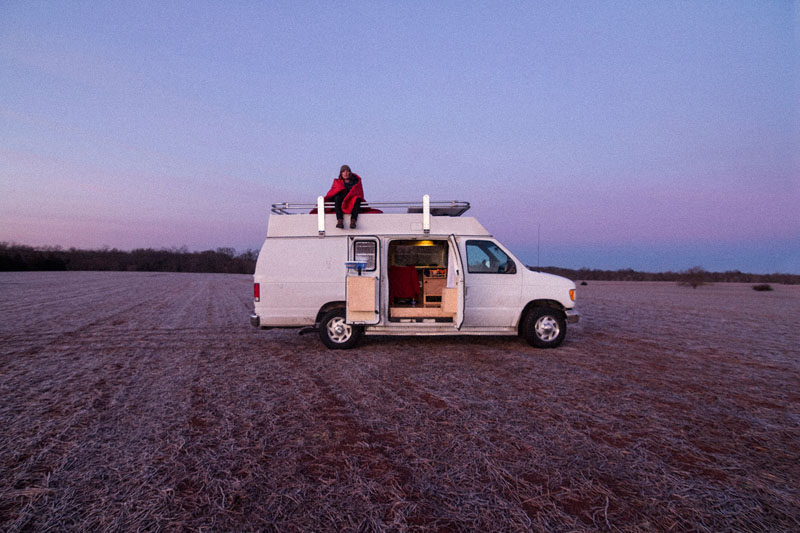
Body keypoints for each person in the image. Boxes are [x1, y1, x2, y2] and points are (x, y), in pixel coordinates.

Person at [324, 164, 365, 229]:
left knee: (357, 199)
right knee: (337, 197)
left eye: (347, 171)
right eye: (343, 171)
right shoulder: (338, 183)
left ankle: (353, 220)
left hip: (352, 200)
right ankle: (340, 220)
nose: (345, 173)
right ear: (341, 173)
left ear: (350, 173)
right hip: (342, 201)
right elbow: (333, 192)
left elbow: (359, 192)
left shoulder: (356, 183)